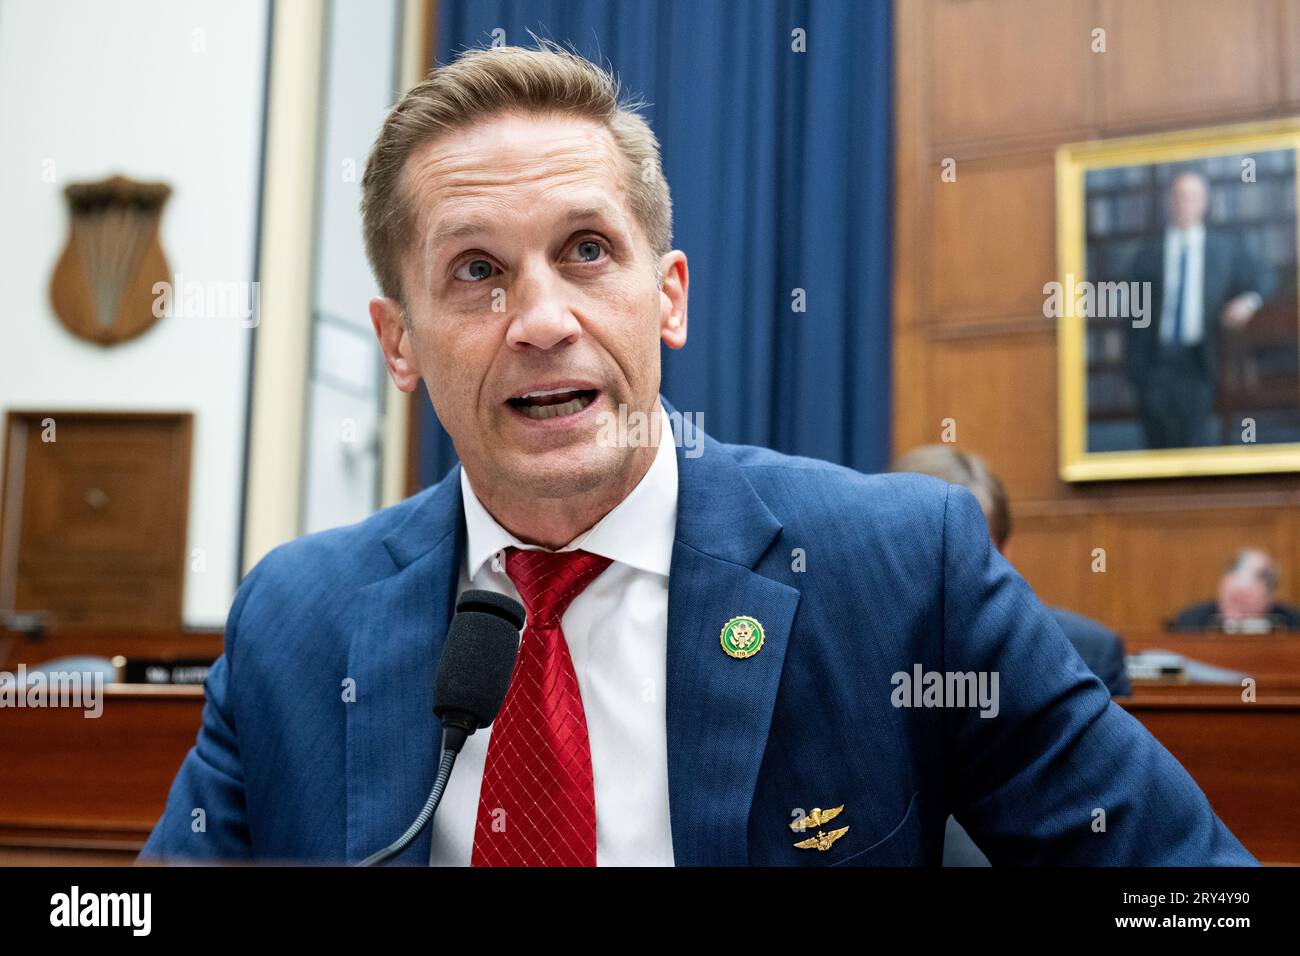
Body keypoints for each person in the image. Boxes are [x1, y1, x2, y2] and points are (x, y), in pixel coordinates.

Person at [140, 44, 1253, 866]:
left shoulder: (906, 570)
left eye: (587, 251)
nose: (540, 319)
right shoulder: (297, 619)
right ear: (399, 344)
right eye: (475, 271)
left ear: (665, 298)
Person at [891, 445, 1130, 697]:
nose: (945, 575)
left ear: (1005, 553)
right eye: (924, 556)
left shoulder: (1088, 653)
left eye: (966, 555)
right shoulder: (855, 654)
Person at [1125, 169, 1269, 449]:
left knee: (1197, 446)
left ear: (1204, 202)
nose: (1184, 204)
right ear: (1169, 202)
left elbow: (1265, 276)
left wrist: (1248, 301)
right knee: (1157, 449)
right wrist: (1135, 372)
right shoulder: (1147, 254)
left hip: (1202, 362)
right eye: (1178, 196)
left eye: (1191, 197)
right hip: (1155, 364)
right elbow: (1131, 315)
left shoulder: (1225, 249)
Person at [1174, 548, 1300, 632]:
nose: (1238, 616)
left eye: (1246, 603)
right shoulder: (1192, 620)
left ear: (1270, 596)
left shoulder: (1292, 622)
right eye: (1233, 600)